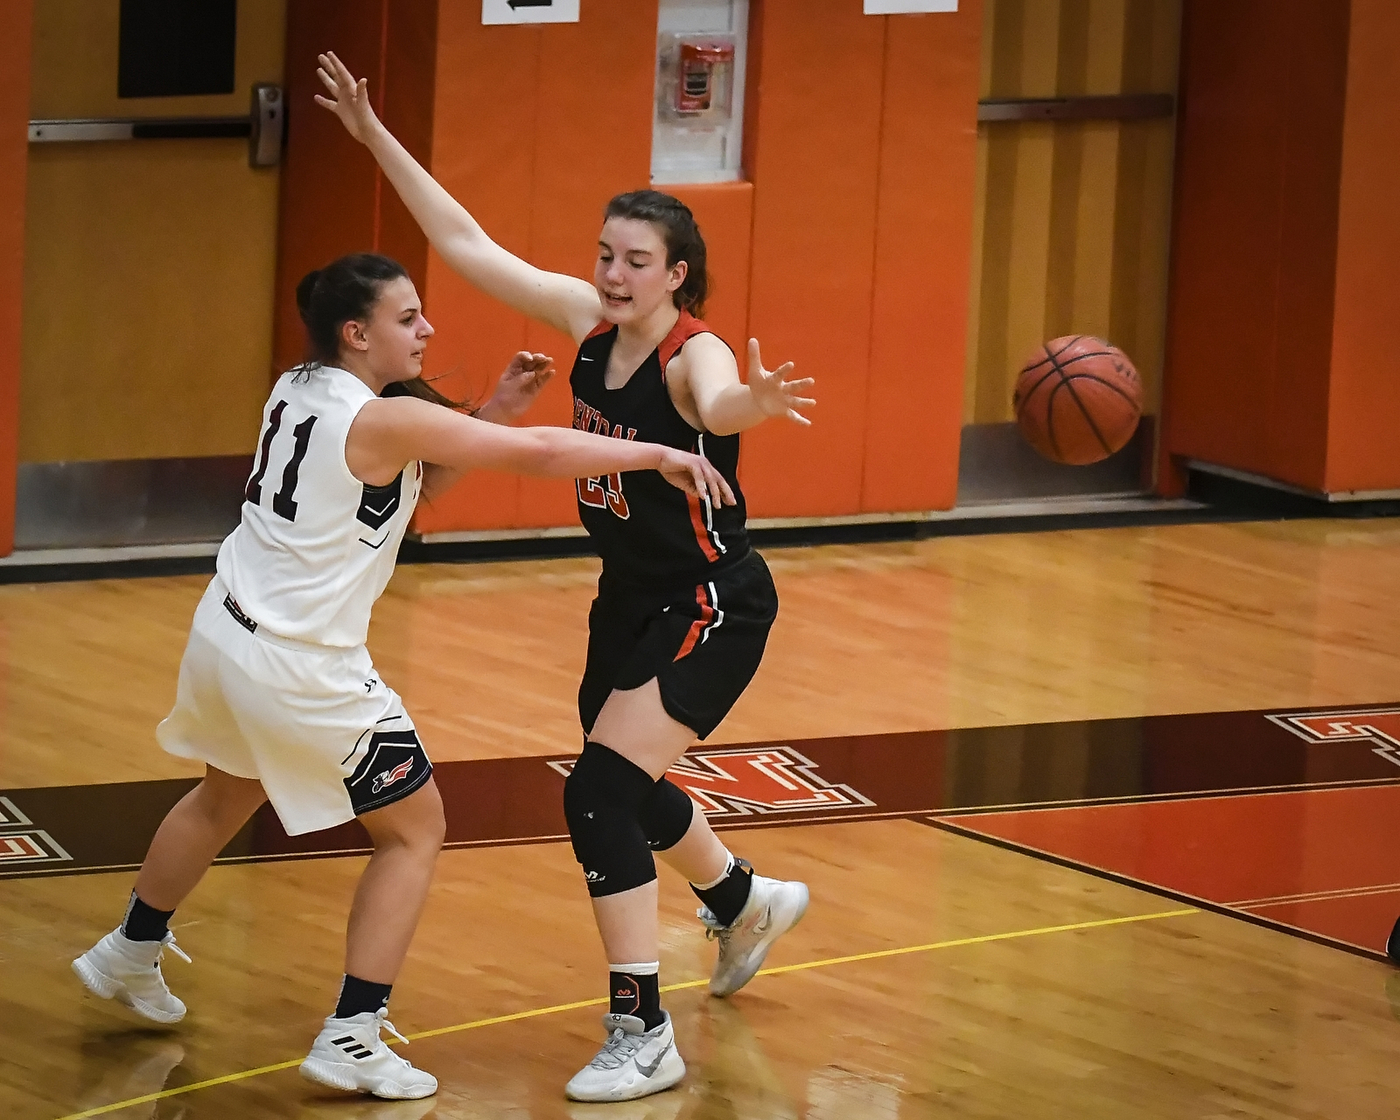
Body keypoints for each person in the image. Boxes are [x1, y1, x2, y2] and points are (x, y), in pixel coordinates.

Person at [71, 251, 734, 1102]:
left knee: (223, 793)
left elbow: (408, 491)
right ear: (358, 334)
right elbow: (530, 454)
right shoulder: (382, 420)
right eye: (408, 318)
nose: (428, 330)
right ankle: (352, 1033)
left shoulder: (300, 387)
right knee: (415, 831)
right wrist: (655, 454)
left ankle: (129, 949)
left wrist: (491, 406)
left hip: (223, 634)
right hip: (299, 665)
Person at [316, 52, 817, 1103]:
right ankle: (736, 897)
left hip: (710, 602)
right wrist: (374, 137)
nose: (612, 272)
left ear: (677, 274)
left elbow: (718, 404)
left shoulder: (692, 354)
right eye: (604, 254)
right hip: (627, 597)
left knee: (596, 795)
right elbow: (463, 243)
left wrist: (752, 408)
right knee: (620, 784)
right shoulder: (589, 332)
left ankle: (641, 1028)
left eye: (635, 259)